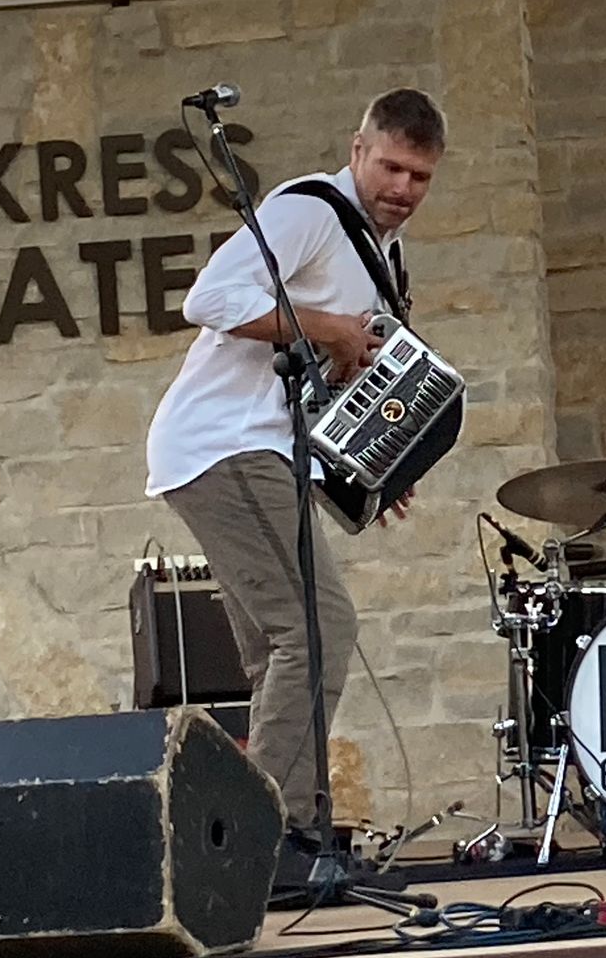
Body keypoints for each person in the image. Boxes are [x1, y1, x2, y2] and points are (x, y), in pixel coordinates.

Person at [144, 88, 446, 859]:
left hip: (263, 452)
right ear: (357, 151)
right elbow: (208, 298)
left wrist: (376, 469)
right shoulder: (308, 210)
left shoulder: (387, 256)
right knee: (317, 631)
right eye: (390, 167)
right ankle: (249, 843)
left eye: (419, 176)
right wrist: (332, 327)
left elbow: (330, 381)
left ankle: (301, 842)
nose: (402, 189)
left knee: (278, 652)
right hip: (222, 442)